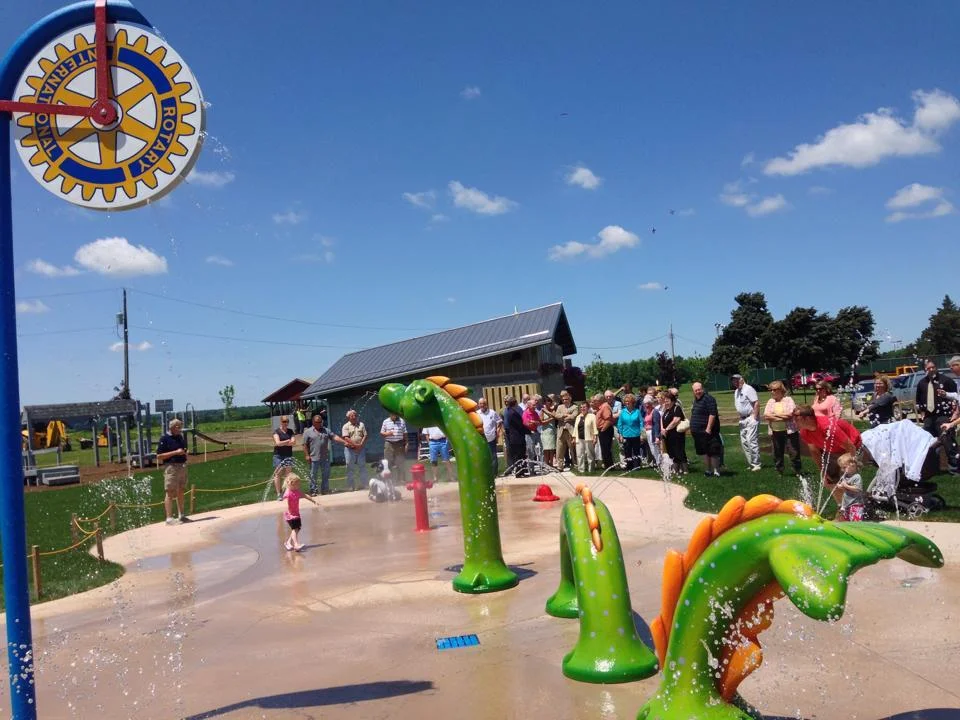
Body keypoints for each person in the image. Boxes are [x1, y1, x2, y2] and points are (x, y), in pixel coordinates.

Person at [794, 405, 862, 499]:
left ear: (808, 418)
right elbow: (814, 451)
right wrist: (823, 471)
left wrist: (851, 467)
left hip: (853, 445)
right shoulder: (804, 432)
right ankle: (841, 507)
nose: (793, 421)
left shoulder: (827, 427)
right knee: (829, 481)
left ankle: (856, 504)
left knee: (848, 480)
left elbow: (850, 446)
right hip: (833, 449)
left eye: (796, 418)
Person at [915, 358, 958, 474]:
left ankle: (955, 467)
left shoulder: (947, 381)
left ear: (936, 368)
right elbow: (918, 400)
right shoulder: (922, 383)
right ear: (925, 369)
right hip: (929, 417)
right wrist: (922, 413)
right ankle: (931, 467)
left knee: (947, 440)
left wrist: (954, 412)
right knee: (927, 442)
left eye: (933, 367)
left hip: (943, 416)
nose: (931, 370)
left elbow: (956, 397)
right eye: (928, 368)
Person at [763, 380, 802, 478]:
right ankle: (779, 471)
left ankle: (797, 471)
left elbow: (790, 415)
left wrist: (774, 416)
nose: (772, 392)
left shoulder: (788, 400)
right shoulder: (770, 401)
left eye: (775, 390)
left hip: (790, 431)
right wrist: (780, 417)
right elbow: (766, 416)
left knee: (793, 451)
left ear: (781, 390)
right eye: (771, 390)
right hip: (775, 431)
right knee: (777, 453)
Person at [302, 414, 346, 495]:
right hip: (313, 457)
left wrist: (344, 442)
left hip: (325, 457)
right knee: (313, 475)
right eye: (317, 422)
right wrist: (307, 455)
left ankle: (325, 489)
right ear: (313, 422)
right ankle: (313, 490)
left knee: (326, 474)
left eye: (320, 422)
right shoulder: (307, 432)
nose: (319, 423)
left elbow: (334, 437)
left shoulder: (326, 430)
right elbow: (304, 445)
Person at [157, 418, 190, 525]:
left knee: (181, 489)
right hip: (171, 467)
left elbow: (183, 449)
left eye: (180, 426)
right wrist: (175, 452)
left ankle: (182, 515)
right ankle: (169, 518)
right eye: (178, 427)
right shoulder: (164, 438)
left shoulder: (180, 437)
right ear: (172, 427)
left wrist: (185, 453)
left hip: (182, 466)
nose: (180, 429)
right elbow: (159, 456)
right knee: (170, 492)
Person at [690, 383, 722, 477]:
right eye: (695, 390)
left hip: (708, 431)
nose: (697, 392)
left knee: (713, 451)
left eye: (699, 389)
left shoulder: (709, 399)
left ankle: (716, 471)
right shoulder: (696, 400)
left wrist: (708, 428)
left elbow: (712, 414)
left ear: (702, 389)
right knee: (705, 452)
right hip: (698, 432)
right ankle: (708, 470)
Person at [281, 473, 318, 551]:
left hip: (296, 514)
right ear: (291, 484)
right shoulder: (287, 493)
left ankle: (288, 542)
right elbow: (285, 502)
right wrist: (288, 509)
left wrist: (313, 501)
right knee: (295, 529)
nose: (299, 486)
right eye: (297, 484)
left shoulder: (296, 491)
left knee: (297, 528)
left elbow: (305, 495)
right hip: (290, 515)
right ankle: (296, 545)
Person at [732, 374, 761, 471]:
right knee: (744, 442)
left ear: (742, 379)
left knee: (751, 441)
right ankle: (751, 463)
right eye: (733, 381)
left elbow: (756, 403)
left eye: (737, 380)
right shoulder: (736, 391)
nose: (735, 382)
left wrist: (754, 417)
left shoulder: (748, 389)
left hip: (751, 418)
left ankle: (757, 463)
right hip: (742, 419)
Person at [660, 392, 687, 475]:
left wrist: (666, 429)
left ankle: (685, 469)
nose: (666, 402)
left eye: (667, 401)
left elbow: (676, 420)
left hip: (676, 434)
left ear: (672, 401)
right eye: (665, 401)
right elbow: (662, 418)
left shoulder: (677, 408)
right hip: (668, 435)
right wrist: (662, 429)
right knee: (672, 452)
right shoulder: (666, 410)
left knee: (679, 451)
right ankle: (676, 469)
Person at [615, 393, 644, 470]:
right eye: (626, 401)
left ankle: (637, 465)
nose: (627, 403)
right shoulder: (622, 412)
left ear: (633, 402)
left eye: (629, 401)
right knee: (627, 452)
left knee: (636, 452)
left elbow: (641, 423)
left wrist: (641, 434)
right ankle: (629, 466)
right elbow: (620, 424)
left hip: (636, 434)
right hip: (626, 435)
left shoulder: (637, 411)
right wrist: (620, 434)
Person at [341, 410, 368, 491]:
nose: (354, 417)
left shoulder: (361, 424)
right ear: (348, 417)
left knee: (362, 466)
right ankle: (351, 486)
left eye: (355, 415)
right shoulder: (345, 426)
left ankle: (364, 484)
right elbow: (346, 438)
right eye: (352, 416)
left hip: (361, 449)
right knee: (350, 467)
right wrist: (355, 445)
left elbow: (365, 435)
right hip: (349, 449)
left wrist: (360, 445)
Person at [380, 412, 408, 487]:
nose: (394, 416)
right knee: (388, 462)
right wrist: (388, 433)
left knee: (400, 462)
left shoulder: (402, 421)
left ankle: (402, 480)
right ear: (390, 415)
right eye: (392, 415)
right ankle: (389, 481)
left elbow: (405, 433)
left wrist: (407, 443)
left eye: (395, 415)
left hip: (399, 443)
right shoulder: (385, 421)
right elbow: (382, 433)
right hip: (389, 443)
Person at [502, 395, 528, 477]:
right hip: (517, 437)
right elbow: (520, 425)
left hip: (512, 437)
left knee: (517, 455)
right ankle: (519, 472)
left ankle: (520, 471)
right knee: (519, 455)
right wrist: (529, 431)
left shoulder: (507, 411)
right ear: (515, 403)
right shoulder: (513, 413)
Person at [476, 397, 502, 478]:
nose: (482, 405)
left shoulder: (492, 412)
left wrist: (497, 432)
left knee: (493, 456)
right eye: (480, 404)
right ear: (478, 405)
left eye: (483, 403)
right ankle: (485, 474)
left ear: (486, 404)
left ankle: (494, 474)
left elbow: (499, 421)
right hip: (481, 439)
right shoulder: (476, 413)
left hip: (491, 438)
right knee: (482, 457)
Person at [272, 415, 297, 499]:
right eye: (284, 421)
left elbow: (293, 442)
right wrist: (287, 441)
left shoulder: (290, 431)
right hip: (278, 455)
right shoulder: (276, 432)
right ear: (281, 422)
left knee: (288, 474)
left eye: (287, 421)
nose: (285, 423)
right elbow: (277, 443)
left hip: (288, 455)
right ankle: (279, 494)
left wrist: (283, 443)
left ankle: (287, 491)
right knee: (278, 474)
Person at [835, 453, 865, 522]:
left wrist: (846, 486)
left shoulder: (857, 477)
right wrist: (840, 486)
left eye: (844, 467)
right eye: (842, 468)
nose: (842, 470)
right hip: (846, 504)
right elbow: (844, 487)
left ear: (853, 465)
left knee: (855, 521)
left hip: (856, 504)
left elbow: (858, 489)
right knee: (846, 521)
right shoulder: (845, 476)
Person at [555, 390, 579, 470]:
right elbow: (556, 416)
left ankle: (576, 465)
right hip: (561, 431)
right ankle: (560, 466)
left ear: (570, 399)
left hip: (571, 431)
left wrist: (563, 417)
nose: (565, 401)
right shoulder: (559, 407)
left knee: (573, 449)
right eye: (563, 400)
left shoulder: (575, 407)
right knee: (559, 450)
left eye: (566, 399)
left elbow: (574, 416)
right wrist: (565, 415)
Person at [573, 401, 598, 473]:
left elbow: (594, 427)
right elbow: (575, 428)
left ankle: (591, 469)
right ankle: (581, 470)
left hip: (589, 438)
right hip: (579, 438)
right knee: (579, 455)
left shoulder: (592, 416)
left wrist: (595, 437)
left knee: (590, 455)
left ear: (588, 408)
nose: (582, 408)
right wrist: (574, 437)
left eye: (584, 407)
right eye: (581, 407)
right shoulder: (578, 417)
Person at [593, 394, 615, 469]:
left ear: (600, 400)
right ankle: (607, 465)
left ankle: (609, 467)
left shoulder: (605, 406)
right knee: (604, 449)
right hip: (603, 430)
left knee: (606, 449)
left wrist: (602, 430)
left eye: (595, 401)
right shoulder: (600, 407)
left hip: (606, 430)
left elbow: (608, 420)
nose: (594, 402)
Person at [522, 398, 543, 472]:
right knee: (531, 452)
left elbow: (540, 422)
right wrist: (534, 422)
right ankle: (531, 470)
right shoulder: (525, 413)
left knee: (540, 450)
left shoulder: (535, 413)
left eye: (535, 405)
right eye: (533, 405)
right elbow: (526, 423)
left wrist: (533, 422)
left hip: (536, 432)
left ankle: (541, 467)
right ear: (529, 405)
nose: (535, 406)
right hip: (529, 434)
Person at [539, 396, 558, 469]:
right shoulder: (542, 411)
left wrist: (551, 414)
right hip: (545, 432)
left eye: (550, 401)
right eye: (548, 401)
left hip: (552, 431)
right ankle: (546, 464)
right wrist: (550, 419)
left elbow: (555, 416)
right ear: (545, 403)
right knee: (546, 449)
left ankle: (551, 464)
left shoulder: (552, 410)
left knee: (552, 449)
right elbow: (541, 422)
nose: (549, 403)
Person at [643, 395, 662, 468]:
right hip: (648, 432)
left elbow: (657, 425)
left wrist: (657, 436)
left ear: (651, 404)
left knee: (655, 449)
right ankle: (658, 463)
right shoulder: (646, 412)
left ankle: (659, 464)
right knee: (652, 449)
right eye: (645, 403)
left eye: (648, 403)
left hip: (653, 433)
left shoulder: (655, 412)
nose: (647, 405)